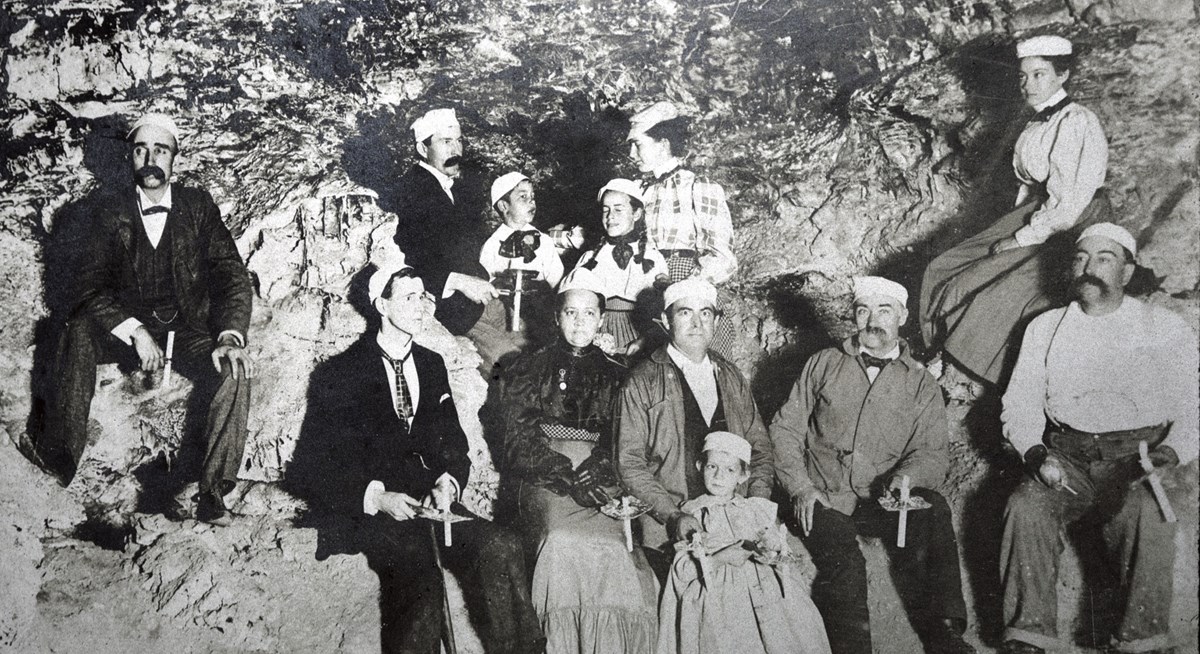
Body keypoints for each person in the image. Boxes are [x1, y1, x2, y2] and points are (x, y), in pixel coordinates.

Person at [289, 259, 543, 654]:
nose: (423, 306)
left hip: (429, 504)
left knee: (500, 545)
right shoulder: (341, 373)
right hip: (371, 511)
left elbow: (453, 443)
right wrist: (377, 497)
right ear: (382, 305)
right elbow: (316, 465)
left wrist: (448, 482)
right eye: (409, 297)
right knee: (420, 575)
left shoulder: (431, 363)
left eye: (425, 296)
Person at [29, 113, 253, 526]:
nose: (150, 160)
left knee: (234, 368)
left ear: (175, 158)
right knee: (76, 329)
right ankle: (57, 461)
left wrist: (229, 336)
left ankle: (212, 493)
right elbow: (86, 287)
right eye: (140, 150)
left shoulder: (198, 206)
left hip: (187, 330)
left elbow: (231, 274)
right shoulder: (105, 211)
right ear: (129, 158)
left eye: (160, 150)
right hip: (127, 332)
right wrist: (134, 330)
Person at [996, 223, 1198, 654]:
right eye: (1081, 258)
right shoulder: (1045, 327)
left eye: (1104, 258)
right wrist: (1037, 455)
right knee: (1026, 506)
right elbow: (1020, 404)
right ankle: (1028, 637)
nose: (1088, 268)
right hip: (1066, 456)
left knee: (1150, 510)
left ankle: (1141, 641)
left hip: (1137, 458)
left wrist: (1167, 454)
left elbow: (1193, 407)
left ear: (1127, 272)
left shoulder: (1164, 327)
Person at [770, 277, 974, 654]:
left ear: (902, 316)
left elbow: (931, 451)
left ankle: (946, 634)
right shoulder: (824, 363)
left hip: (884, 502)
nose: (873, 320)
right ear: (853, 315)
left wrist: (905, 479)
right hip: (824, 497)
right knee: (845, 560)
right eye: (863, 310)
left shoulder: (921, 383)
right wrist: (800, 487)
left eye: (884, 310)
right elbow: (785, 429)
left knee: (934, 510)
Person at [920, 35, 1110, 385]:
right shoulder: (1037, 121)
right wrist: (1011, 225)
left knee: (990, 292)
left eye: (1039, 74)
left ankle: (965, 374)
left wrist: (1019, 239)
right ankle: (940, 349)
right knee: (944, 266)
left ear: (1063, 75)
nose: (1028, 84)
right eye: (1023, 76)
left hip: (1071, 222)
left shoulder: (1075, 121)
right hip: (1041, 211)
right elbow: (1032, 185)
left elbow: (1068, 203)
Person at [498, 267, 659, 654]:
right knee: (560, 539)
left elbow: (623, 438)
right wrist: (567, 476)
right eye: (571, 313)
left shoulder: (619, 375)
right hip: (544, 476)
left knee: (614, 548)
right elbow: (516, 441)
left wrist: (599, 470)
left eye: (589, 314)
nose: (580, 322)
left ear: (602, 319)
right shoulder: (527, 368)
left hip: (600, 477)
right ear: (557, 317)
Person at [616, 277, 774, 579]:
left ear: (716, 321)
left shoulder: (730, 376)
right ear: (666, 321)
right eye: (685, 312)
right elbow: (629, 463)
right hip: (669, 527)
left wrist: (756, 505)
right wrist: (673, 516)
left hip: (735, 523)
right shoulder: (642, 381)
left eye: (705, 313)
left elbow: (760, 448)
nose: (697, 323)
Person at [657, 431, 831, 654]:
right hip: (719, 600)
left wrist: (770, 552)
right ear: (700, 467)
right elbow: (682, 570)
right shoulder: (693, 514)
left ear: (743, 476)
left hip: (764, 593)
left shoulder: (754, 510)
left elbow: (779, 552)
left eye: (730, 470)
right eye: (712, 467)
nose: (719, 476)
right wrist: (720, 558)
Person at [628, 101, 738, 357]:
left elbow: (724, 258)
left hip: (689, 285)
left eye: (638, 144)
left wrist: (686, 287)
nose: (632, 154)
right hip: (649, 289)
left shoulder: (698, 186)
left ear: (663, 144)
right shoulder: (640, 190)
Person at [392, 108, 499, 338]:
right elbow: (410, 259)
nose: (456, 150)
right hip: (444, 316)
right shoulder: (411, 191)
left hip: (476, 305)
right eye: (446, 142)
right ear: (423, 149)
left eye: (459, 141)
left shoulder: (454, 189)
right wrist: (460, 282)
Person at [574, 178, 669, 356]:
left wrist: (644, 340)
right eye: (606, 210)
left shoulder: (653, 258)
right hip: (594, 336)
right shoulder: (590, 258)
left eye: (618, 209)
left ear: (636, 213)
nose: (610, 216)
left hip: (639, 339)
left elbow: (664, 312)